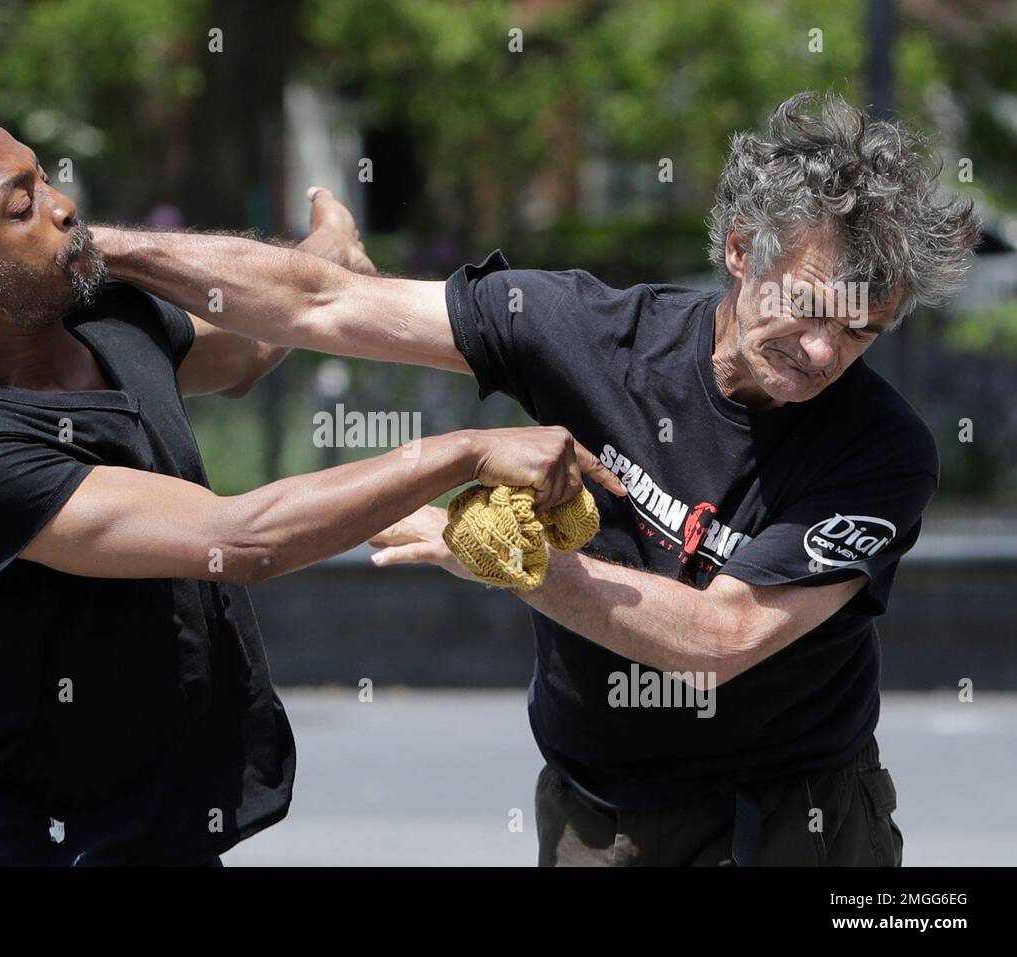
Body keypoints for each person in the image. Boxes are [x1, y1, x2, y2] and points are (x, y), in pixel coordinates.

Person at [89, 91, 982, 866]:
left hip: (794, 819)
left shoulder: (879, 450)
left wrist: (502, 556)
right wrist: (94, 249)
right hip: (594, 815)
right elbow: (319, 302)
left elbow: (720, 638)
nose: (826, 350)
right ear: (744, 249)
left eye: (862, 331)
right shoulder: (591, 332)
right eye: (812, 305)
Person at [0, 70, 601, 866]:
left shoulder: (101, 322)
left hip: (167, 837)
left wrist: (327, 257)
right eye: (21, 206)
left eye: (45, 177)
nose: (62, 207)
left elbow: (250, 347)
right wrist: (464, 451)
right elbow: (244, 540)